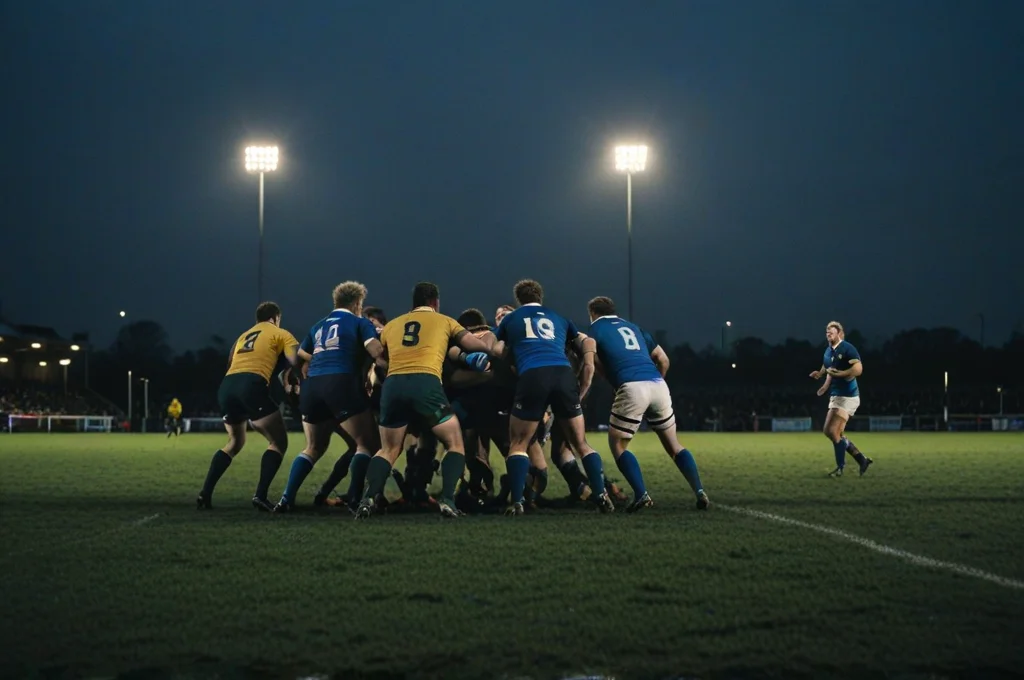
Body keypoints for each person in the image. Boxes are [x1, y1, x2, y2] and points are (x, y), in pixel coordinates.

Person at [354, 281, 496, 519]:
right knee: (454, 442)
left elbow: (380, 358)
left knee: (388, 449)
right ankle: (448, 499)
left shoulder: (392, 326)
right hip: (426, 383)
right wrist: (484, 345)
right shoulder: (445, 321)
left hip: (393, 385)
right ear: (435, 302)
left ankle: (368, 498)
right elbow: (478, 347)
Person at [495, 278, 613, 516]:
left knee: (518, 443)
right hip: (563, 374)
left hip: (533, 375)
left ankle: (517, 502)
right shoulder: (558, 317)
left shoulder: (511, 319)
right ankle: (601, 495)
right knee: (581, 443)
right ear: (541, 297)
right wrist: (587, 366)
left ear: (519, 299)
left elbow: (496, 348)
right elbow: (585, 341)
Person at [587, 296, 710, 511]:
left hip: (632, 386)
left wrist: (613, 382)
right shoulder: (634, 327)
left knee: (618, 445)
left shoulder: (595, 330)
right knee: (674, 446)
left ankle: (642, 494)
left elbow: (595, 363)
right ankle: (699, 491)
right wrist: (656, 384)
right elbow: (663, 360)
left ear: (593, 314)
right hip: (658, 385)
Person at [274, 282, 383, 512]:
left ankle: (286, 499)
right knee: (366, 444)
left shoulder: (318, 326)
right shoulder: (359, 322)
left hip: (312, 386)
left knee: (313, 447)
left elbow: (302, 353)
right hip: (341, 382)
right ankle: (354, 499)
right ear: (356, 303)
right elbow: (374, 350)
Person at [197, 302, 300, 510]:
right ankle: (260, 495)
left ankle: (204, 494)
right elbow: (295, 360)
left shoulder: (241, 337)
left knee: (235, 441)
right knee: (278, 442)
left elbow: (229, 363)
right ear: (276, 318)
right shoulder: (281, 333)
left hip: (226, 386)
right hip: (251, 384)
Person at [810, 320, 873, 477]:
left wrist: (842, 374)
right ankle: (861, 459)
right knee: (829, 432)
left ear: (839, 333)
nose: (828, 334)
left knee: (833, 431)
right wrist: (820, 375)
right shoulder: (828, 351)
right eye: (827, 332)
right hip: (836, 395)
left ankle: (840, 468)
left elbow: (858, 369)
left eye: (831, 332)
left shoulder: (847, 348)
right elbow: (827, 367)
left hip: (848, 396)